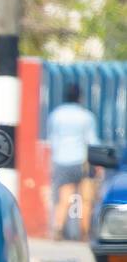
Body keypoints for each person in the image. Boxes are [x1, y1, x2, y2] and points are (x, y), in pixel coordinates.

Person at [49, 81, 100, 241]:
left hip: (61, 160)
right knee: (86, 199)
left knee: (64, 197)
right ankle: (84, 234)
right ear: (80, 97)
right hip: (82, 162)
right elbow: (92, 142)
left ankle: (58, 229)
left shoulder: (56, 114)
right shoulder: (86, 116)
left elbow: (52, 139)